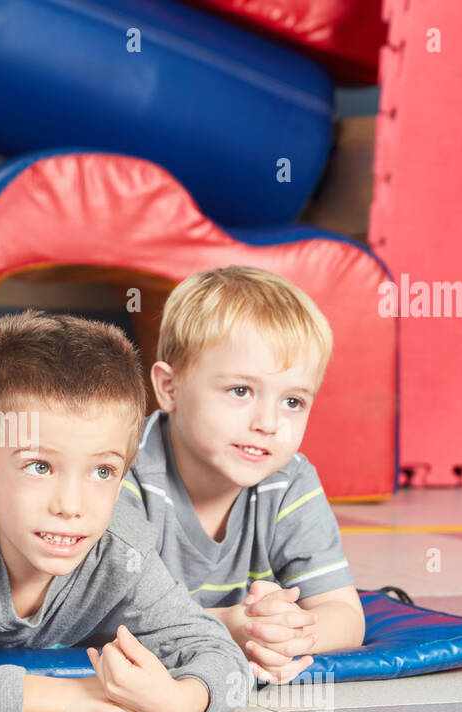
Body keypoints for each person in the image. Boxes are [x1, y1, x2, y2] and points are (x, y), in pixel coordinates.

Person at [0, 311, 252, 712]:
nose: (71, 505)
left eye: (102, 471)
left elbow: (217, 649)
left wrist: (183, 700)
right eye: (40, 467)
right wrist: (62, 696)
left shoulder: (120, 549)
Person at [121, 266, 366, 685]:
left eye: (292, 400)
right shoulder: (123, 475)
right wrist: (234, 626)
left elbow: (346, 615)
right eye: (240, 391)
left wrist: (290, 636)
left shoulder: (289, 481)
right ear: (169, 388)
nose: (269, 422)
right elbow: (105, 619)